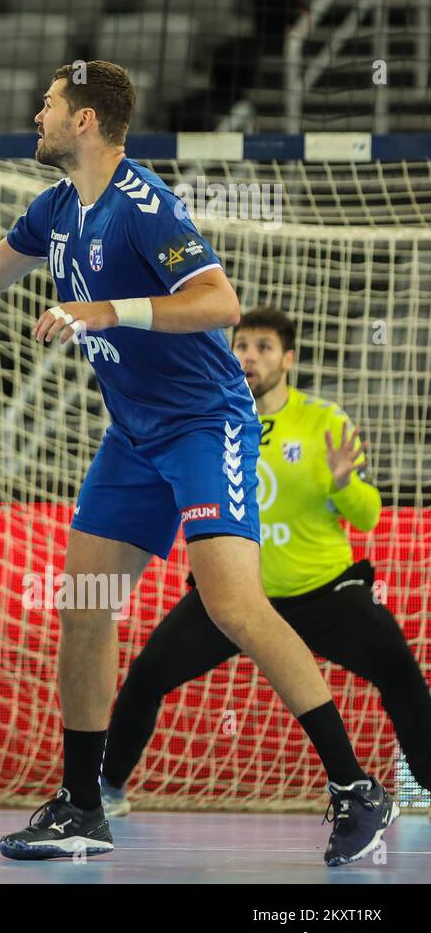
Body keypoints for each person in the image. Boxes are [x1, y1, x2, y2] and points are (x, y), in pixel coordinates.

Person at [0, 61, 398, 867]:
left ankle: (356, 787)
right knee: (84, 602)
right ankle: (82, 804)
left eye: (47, 104)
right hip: (133, 438)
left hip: (202, 425)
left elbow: (219, 302)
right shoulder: (54, 210)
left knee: (233, 605)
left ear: (83, 121)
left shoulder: (146, 207)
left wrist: (109, 310)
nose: (35, 114)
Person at [99, 306, 428, 819]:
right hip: (234, 596)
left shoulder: (322, 421)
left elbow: (366, 517)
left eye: (264, 348)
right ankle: (107, 791)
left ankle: (424, 786)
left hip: (321, 593)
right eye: (242, 346)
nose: (250, 356)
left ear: (288, 359)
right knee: (147, 673)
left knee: (400, 671)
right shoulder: (208, 417)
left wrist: (345, 484)